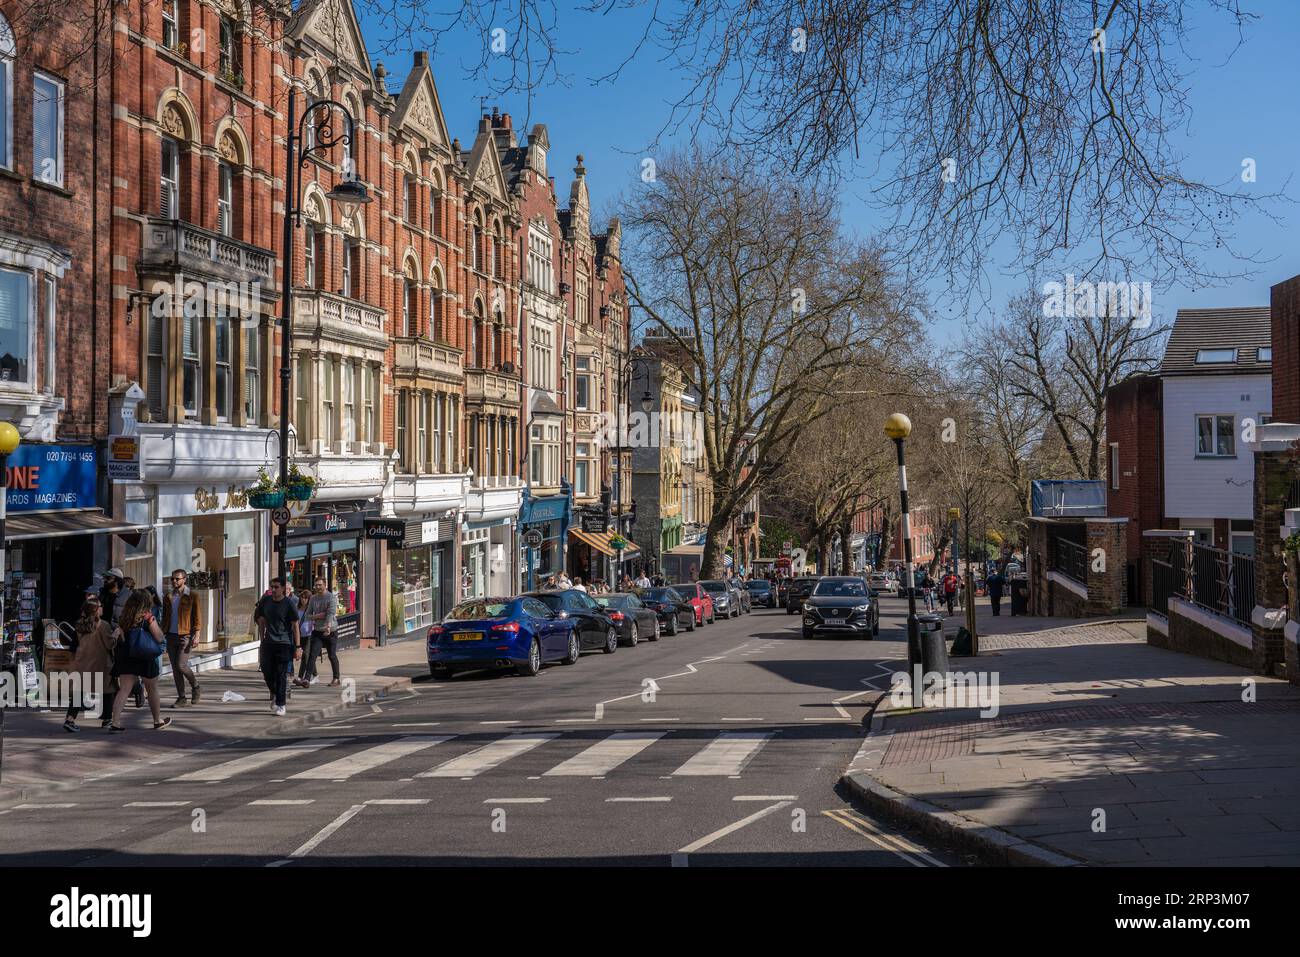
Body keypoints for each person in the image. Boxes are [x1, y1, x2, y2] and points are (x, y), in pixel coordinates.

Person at [107, 589, 172, 732]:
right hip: (146, 656)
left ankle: (115, 722)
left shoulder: (125, 616)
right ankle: (157, 720)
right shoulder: (148, 616)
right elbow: (159, 637)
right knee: (152, 688)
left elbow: (122, 636)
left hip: (127, 656)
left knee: (124, 690)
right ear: (147, 602)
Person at [63, 598, 117, 732]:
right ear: (96, 610)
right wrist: (116, 634)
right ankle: (107, 719)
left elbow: (74, 646)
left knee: (79, 692)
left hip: (82, 663)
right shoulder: (103, 625)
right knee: (107, 690)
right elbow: (110, 644)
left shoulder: (79, 624)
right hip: (101, 663)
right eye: (100, 606)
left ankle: (70, 719)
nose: (102, 608)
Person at [255, 577, 301, 717]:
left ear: (282, 589)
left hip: (284, 643)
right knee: (267, 672)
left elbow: (295, 626)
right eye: (271, 587)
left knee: (281, 674)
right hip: (268, 643)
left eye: (276, 587)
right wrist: (262, 640)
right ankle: (275, 693)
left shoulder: (289, 604)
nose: (273, 590)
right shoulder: (266, 601)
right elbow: (261, 621)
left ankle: (281, 704)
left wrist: (298, 646)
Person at [160, 570, 202, 708]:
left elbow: (197, 616)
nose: (174, 581)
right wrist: (161, 634)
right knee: (175, 668)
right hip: (170, 635)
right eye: (172, 579)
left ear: (184, 579)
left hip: (185, 635)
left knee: (181, 665)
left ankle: (195, 686)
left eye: (177, 579)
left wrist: (197, 634)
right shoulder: (168, 596)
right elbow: (165, 617)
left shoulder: (192, 595)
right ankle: (181, 697)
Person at [297, 577, 341, 688]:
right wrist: (318, 616)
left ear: (325, 585)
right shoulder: (313, 599)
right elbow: (307, 615)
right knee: (312, 655)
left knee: (332, 655)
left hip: (331, 631)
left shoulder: (331, 598)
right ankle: (306, 679)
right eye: (316, 585)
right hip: (317, 631)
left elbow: (330, 614)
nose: (317, 587)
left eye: (319, 585)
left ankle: (336, 678)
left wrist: (328, 626)